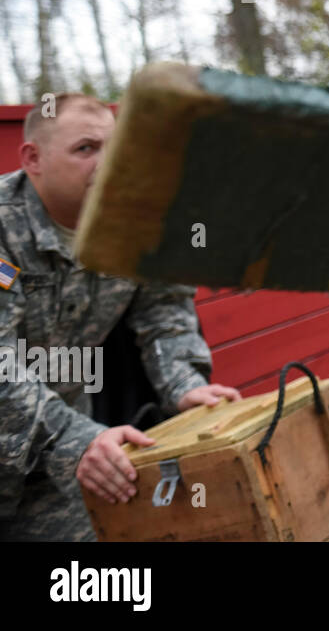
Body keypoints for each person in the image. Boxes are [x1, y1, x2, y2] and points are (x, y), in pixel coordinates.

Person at [0, 93, 240, 541]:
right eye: (85, 149)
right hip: (60, 438)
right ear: (33, 158)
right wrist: (74, 440)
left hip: (58, 463)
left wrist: (183, 385)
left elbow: (163, 311)